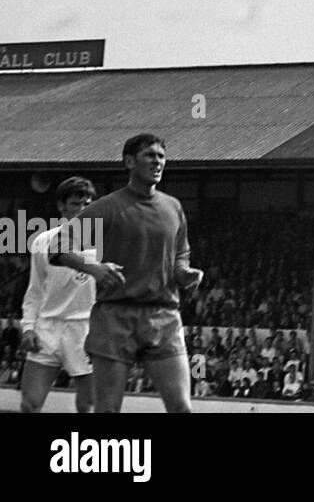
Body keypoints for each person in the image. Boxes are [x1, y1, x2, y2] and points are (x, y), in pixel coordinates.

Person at [50, 133, 203, 412]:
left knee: (182, 407)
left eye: (161, 156)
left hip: (163, 315)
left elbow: (181, 252)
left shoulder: (173, 207)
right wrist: (93, 268)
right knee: (107, 409)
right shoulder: (108, 206)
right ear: (129, 161)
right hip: (115, 316)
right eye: (150, 155)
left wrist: (183, 272)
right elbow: (58, 245)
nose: (158, 162)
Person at [19, 176, 98, 412]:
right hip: (48, 328)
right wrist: (28, 328)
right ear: (61, 206)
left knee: (88, 407)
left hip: (86, 330)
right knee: (29, 404)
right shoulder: (43, 241)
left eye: (88, 204)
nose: (83, 209)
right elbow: (34, 291)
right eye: (76, 203)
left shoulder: (103, 243)